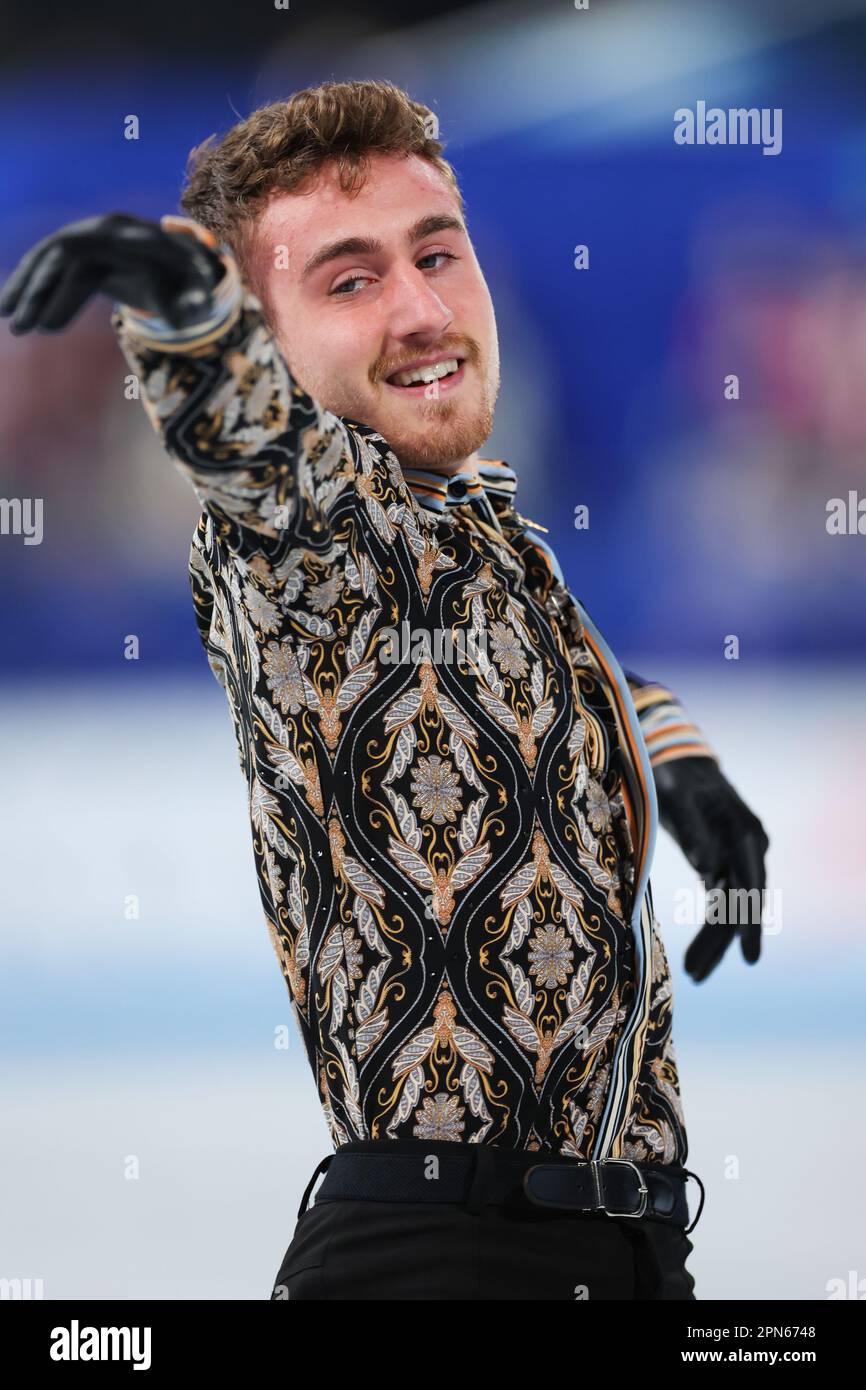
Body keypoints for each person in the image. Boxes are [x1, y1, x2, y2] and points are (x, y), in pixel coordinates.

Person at [0, 78, 769, 1300]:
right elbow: (251, 443)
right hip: (440, 1266)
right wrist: (188, 311)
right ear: (269, 337)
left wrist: (678, 762)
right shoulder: (311, 548)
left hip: (616, 1261)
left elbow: (558, 653)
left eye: (436, 255)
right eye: (347, 281)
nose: (419, 310)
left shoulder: (480, 532)